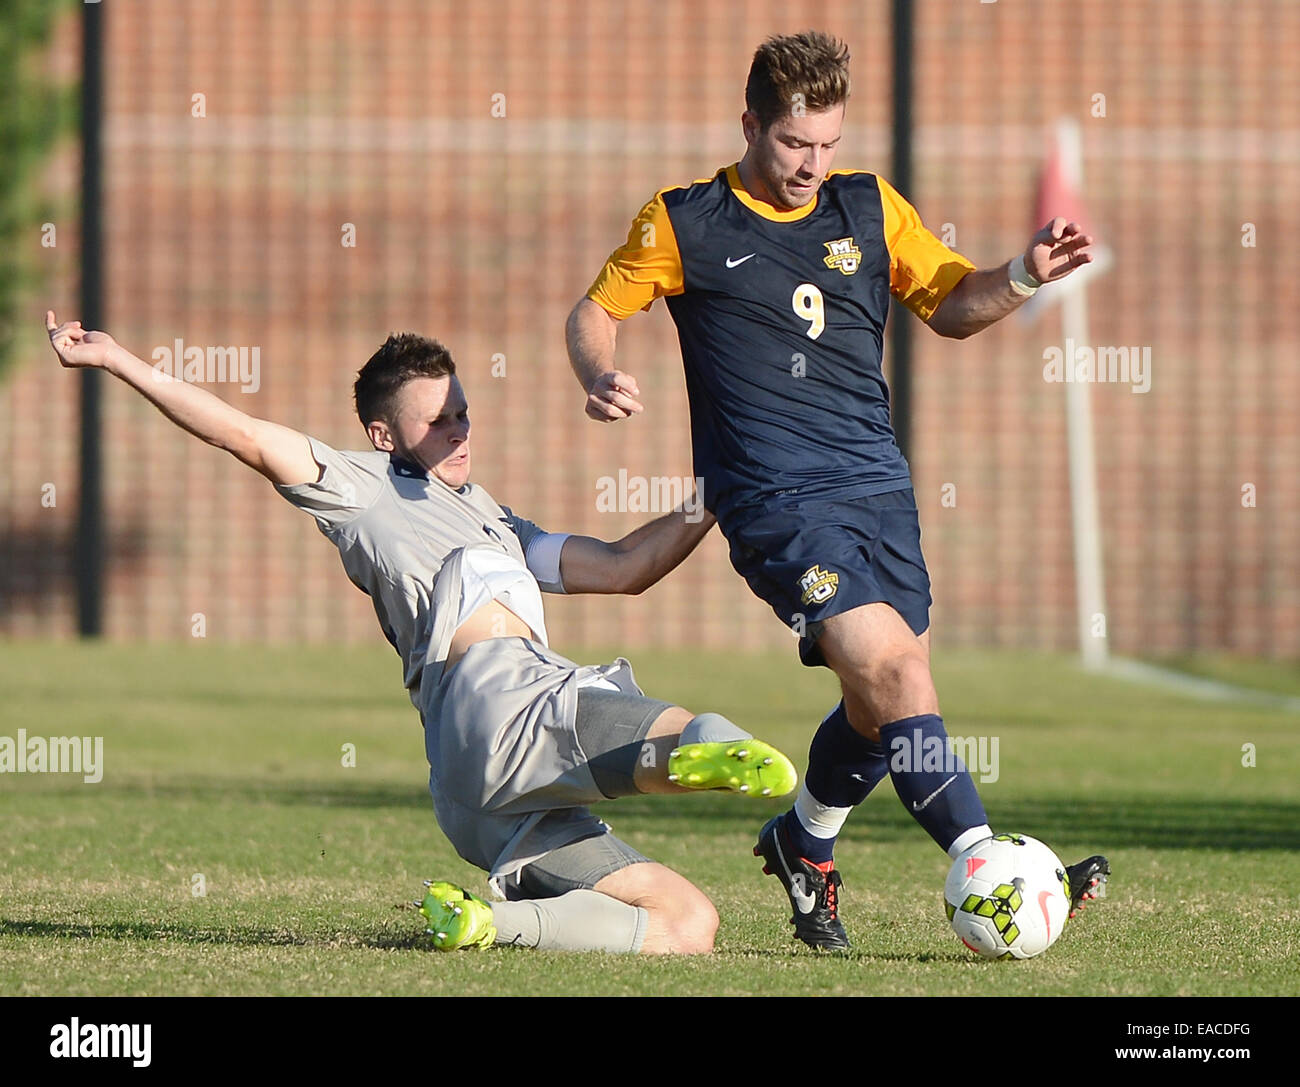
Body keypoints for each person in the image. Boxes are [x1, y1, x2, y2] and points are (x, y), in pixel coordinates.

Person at [565, 31, 1108, 951]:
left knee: (878, 701)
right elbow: (595, 310)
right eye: (793, 146)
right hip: (774, 499)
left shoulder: (868, 206)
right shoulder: (685, 221)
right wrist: (599, 371)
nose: (813, 166)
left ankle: (803, 844)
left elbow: (952, 305)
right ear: (750, 124)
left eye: (827, 145)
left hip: (877, 487)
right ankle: (989, 859)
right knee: (900, 675)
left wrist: (1022, 275)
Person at [45, 311, 799, 956]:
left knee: (687, 921)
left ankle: (486, 923)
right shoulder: (362, 488)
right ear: (383, 433)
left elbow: (626, 565)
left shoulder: (500, 522)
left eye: (463, 411)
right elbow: (239, 432)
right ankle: (738, 761)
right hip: (501, 699)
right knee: (692, 740)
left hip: (474, 791)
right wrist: (116, 359)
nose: (458, 430)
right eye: (436, 421)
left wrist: (714, 497)